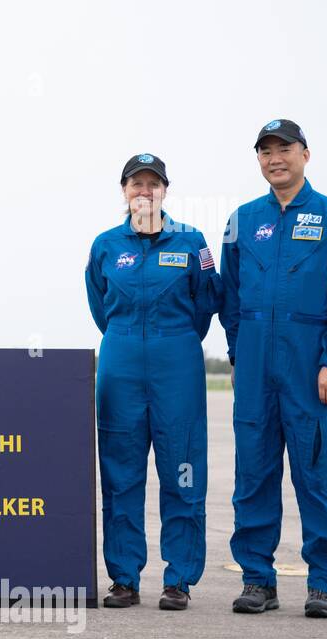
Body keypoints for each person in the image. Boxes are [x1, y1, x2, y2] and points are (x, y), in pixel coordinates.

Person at [220, 119, 327, 618]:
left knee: (318, 473)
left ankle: (325, 584)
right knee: (254, 475)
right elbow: (230, 296)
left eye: (283, 148)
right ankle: (257, 580)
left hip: (310, 370)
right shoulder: (242, 220)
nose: (274, 158)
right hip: (256, 371)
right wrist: (240, 355)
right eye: (265, 151)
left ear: (306, 154)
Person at [85, 153, 221, 611]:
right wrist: (128, 339)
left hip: (177, 364)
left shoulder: (192, 242)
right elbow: (99, 306)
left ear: (166, 190)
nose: (144, 191)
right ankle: (124, 578)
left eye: (153, 184)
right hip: (120, 363)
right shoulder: (105, 246)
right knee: (121, 476)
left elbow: (207, 302)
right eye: (135, 184)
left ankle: (179, 579)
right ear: (123, 192)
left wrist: (174, 339)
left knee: (182, 472)